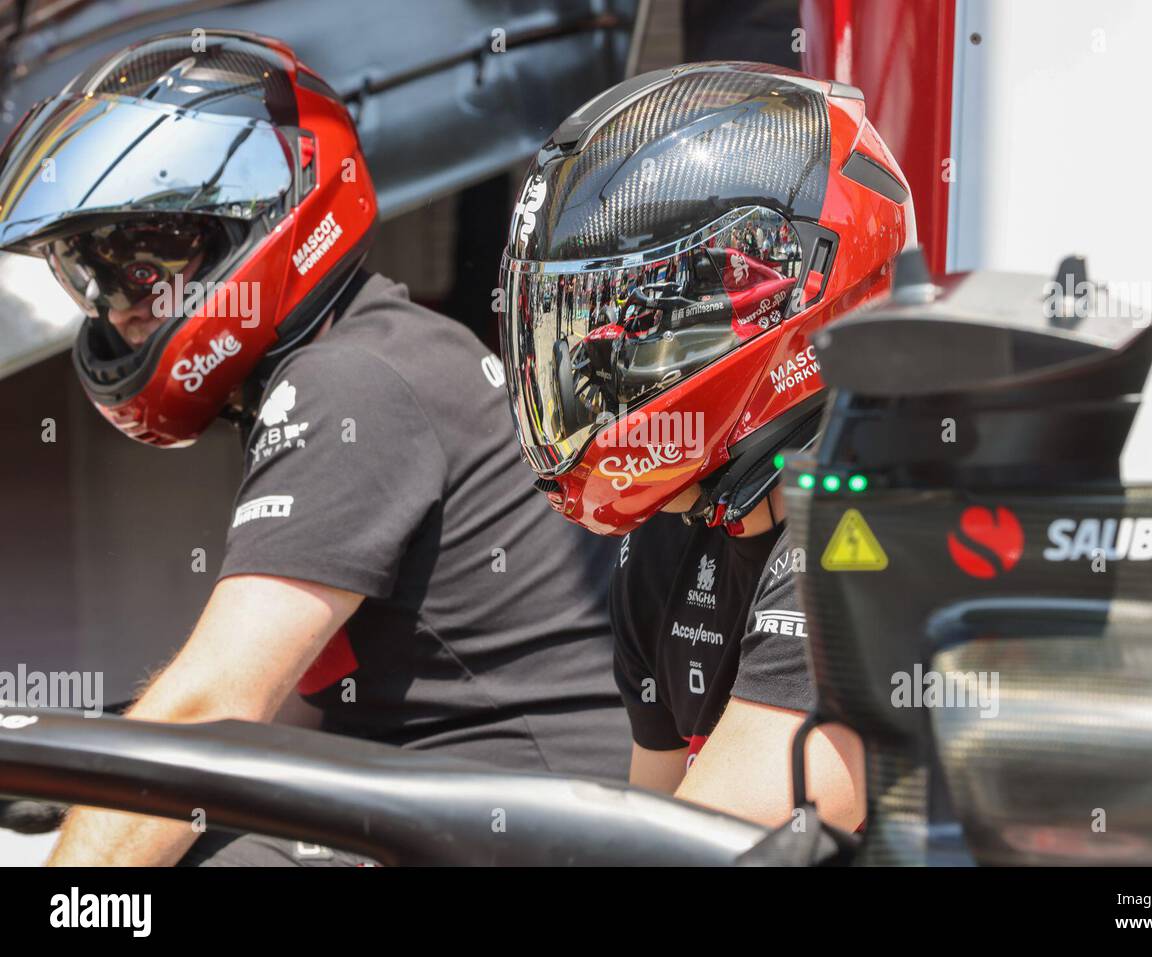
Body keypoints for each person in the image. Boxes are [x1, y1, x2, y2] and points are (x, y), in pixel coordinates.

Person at [0, 29, 629, 866]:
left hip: (531, 825)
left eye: (142, 265)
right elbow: (286, 713)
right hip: (467, 800)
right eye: (89, 275)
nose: (117, 309)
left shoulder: (353, 382)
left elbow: (215, 707)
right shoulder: (367, 355)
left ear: (257, 224)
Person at [498, 62, 912, 832]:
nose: (597, 353)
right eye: (589, 320)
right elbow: (651, 827)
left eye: (648, 318)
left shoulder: (879, 524)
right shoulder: (661, 547)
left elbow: (723, 842)